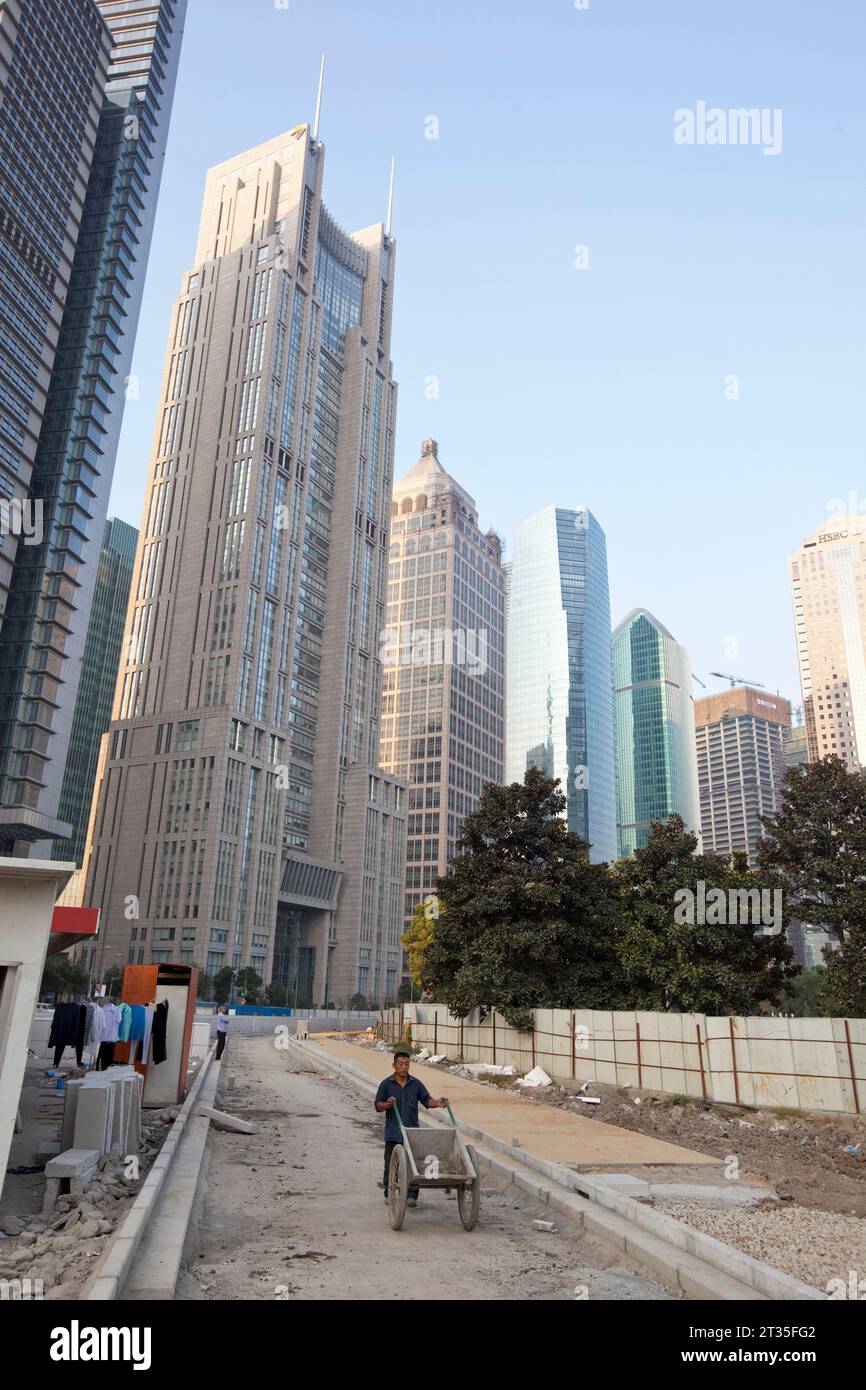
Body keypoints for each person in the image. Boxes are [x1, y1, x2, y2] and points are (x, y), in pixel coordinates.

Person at [374, 1046, 448, 1208]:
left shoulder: (416, 1084)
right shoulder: (386, 1084)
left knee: (413, 1165)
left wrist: (438, 1103)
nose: (404, 1067)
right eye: (400, 1064)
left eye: (406, 1064)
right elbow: (378, 1105)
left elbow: (427, 1100)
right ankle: (390, 1193)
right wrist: (387, 1104)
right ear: (394, 1065)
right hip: (393, 1133)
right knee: (391, 1165)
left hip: (412, 1132)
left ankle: (412, 1196)